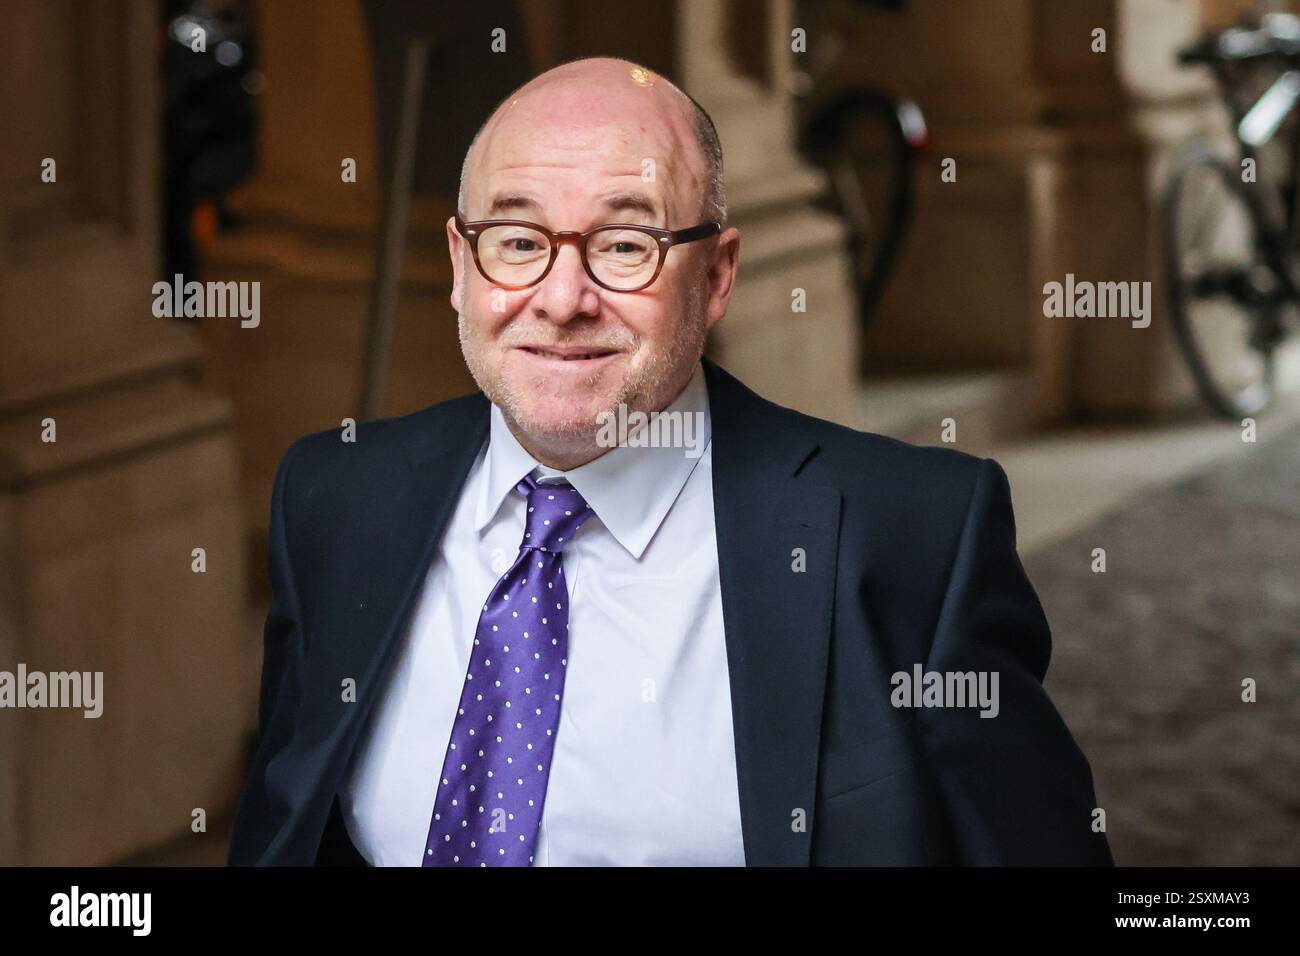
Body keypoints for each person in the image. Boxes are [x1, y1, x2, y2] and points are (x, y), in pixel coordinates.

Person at [228, 56, 1112, 866]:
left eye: (624, 246)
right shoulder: (337, 499)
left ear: (718, 275)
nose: (562, 299)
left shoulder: (912, 539)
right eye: (519, 241)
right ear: (462, 265)